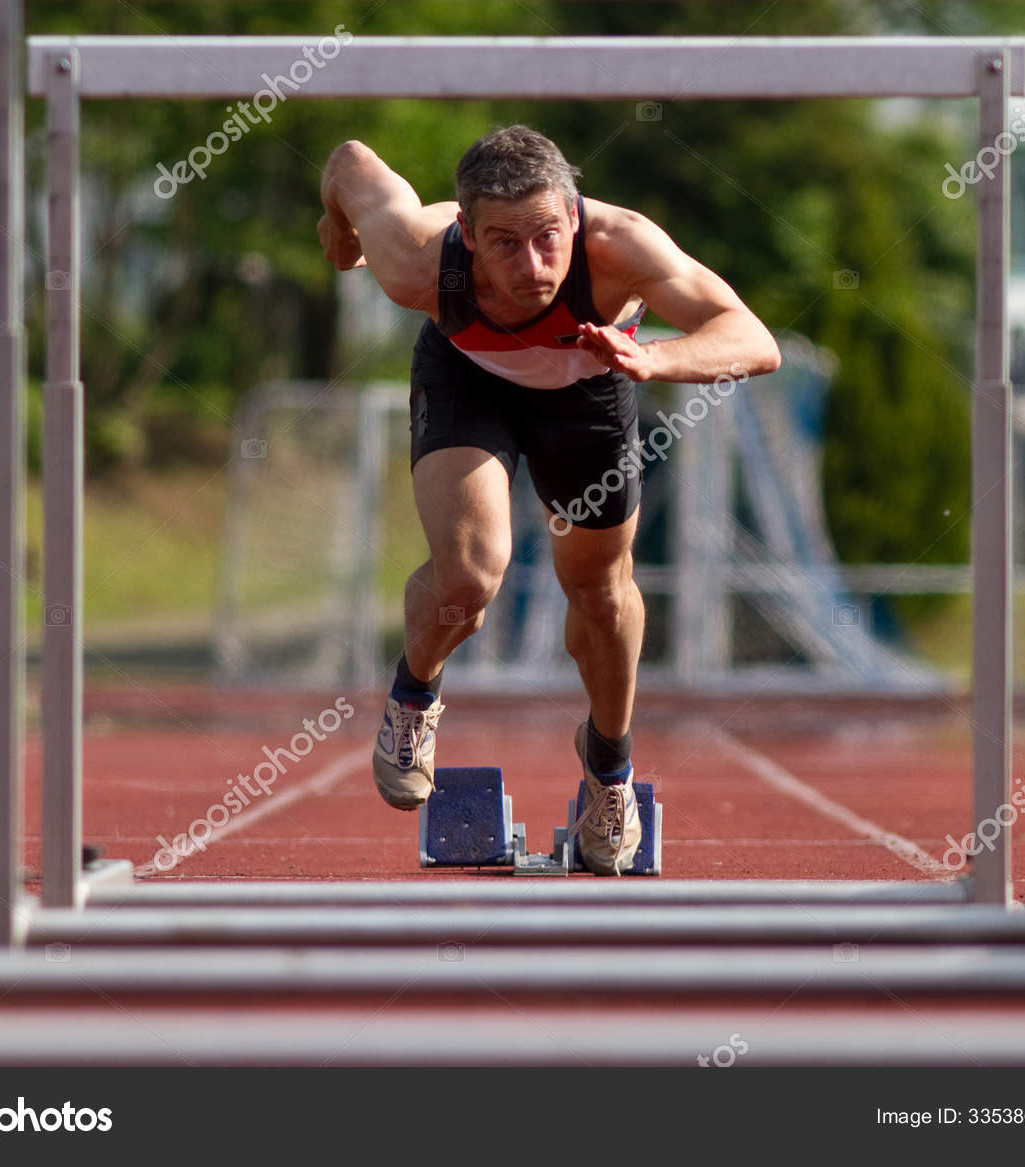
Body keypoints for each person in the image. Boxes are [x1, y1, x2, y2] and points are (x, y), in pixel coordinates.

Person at [317, 125, 779, 873]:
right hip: (469, 380)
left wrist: (652, 357)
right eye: (502, 243)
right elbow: (348, 162)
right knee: (470, 576)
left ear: (573, 214)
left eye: (546, 238)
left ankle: (609, 769)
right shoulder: (416, 260)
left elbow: (753, 337)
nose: (531, 266)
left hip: (591, 385)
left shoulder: (620, 245)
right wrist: (340, 236)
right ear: (465, 232)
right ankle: (413, 695)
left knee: (599, 593)